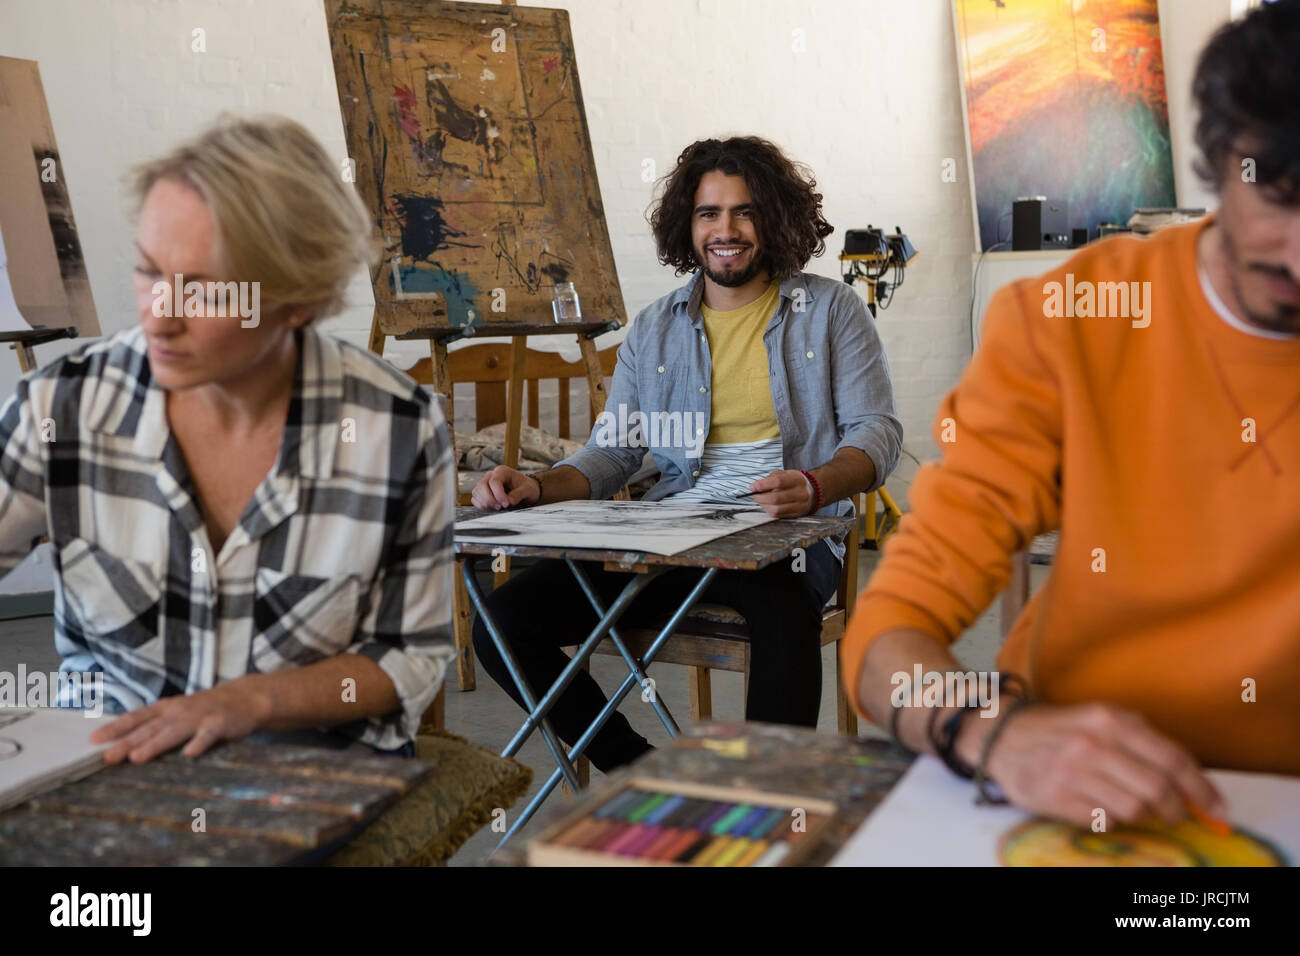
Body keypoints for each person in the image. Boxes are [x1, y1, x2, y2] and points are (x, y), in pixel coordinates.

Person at [842, 0, 1300, 828]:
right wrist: (990, 733)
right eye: (1279, 196)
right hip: (1074, 811)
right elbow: (889, 631)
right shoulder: (1072, 322)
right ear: (1215, 160)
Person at [0, 115, 456, 762]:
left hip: (312, 775)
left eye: (205, 292)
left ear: (299, 302)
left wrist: (252, 702)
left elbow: (409, 656)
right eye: (149, 271)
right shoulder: (63, 408)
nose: (159, 318)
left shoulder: (396, 429)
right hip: (113, 769)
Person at [471, 136, 901, 772]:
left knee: (783, 612)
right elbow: (614, 452)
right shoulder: (655, 328)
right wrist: (540, 485)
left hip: (786, 539)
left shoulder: (831, 310)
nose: (726, 230)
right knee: (501, 621)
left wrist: (816, 485)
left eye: (745, 212)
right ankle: (643, 772)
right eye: (709, 213)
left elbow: (877, 432)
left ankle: (769, 798)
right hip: (673, 537)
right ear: (688, 224)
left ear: (775, 218)